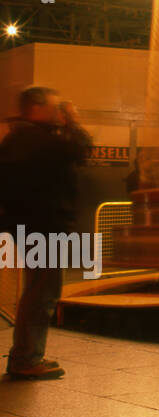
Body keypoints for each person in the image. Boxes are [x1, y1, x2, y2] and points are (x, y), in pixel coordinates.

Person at [0, 87, 92, 381]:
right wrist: (73, 121)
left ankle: (26, 355)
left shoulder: (21, 138)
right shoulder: (35, 140)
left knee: (37, 289)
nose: (59, 113)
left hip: (30, 225)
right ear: (36, 108)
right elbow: (81, 149)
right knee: (43, 292)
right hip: (43, 226)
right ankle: (26, 359)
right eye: (55, 108)